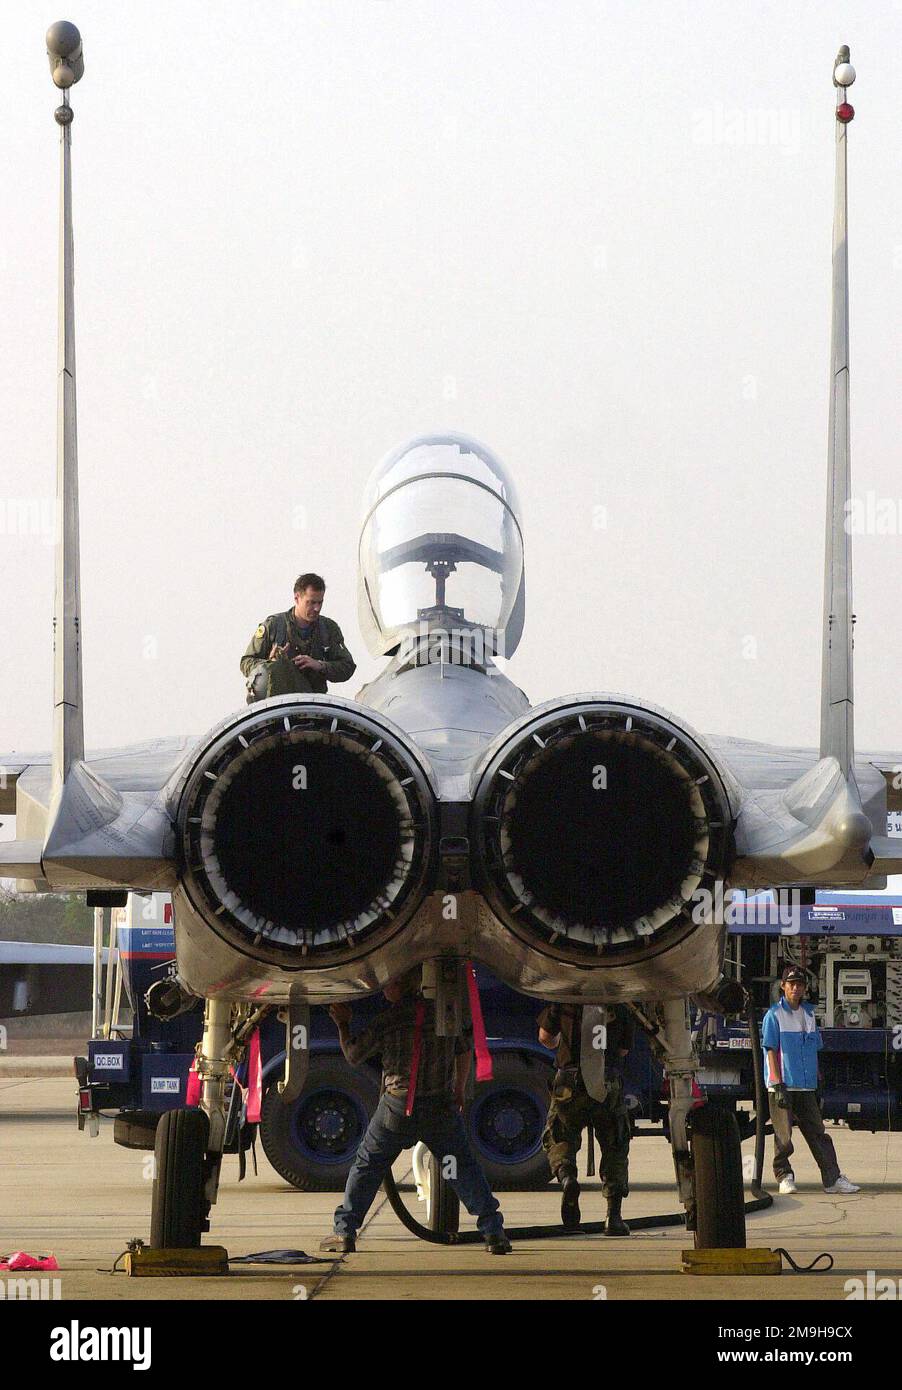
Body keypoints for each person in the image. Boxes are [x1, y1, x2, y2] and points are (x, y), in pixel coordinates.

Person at [320, 969, 512, 1255]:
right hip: (441, 1107)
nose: (384, 987)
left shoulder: (388, 1020)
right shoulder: (445, 1016)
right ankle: (493, 1233)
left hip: (396, 1108)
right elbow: (463, 1049)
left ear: (401, 986)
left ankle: (344, 1231)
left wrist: (343, 1024)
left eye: (390, 982)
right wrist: (459, 1089)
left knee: (367, 1165)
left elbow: (353, 1055)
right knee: (464, 1169)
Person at [537, 1001, 634, 1235]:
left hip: (570, 1082)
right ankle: (613, 1216)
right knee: (615, 1145)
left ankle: (566, 1177)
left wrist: (562, 1043)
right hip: (606, 1083)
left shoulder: (565, 998)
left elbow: (544, 1037)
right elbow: (623, 1051)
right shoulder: (621, 1002)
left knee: (560, 1135)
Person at [762, 965, 859, 1195]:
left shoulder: (808, 1014)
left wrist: (817, 1080)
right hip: (783, 1085)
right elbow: (770, 1050)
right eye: (791, 984)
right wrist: (776, 1083)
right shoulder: (774, 1015)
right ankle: (784, 1176)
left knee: (818, 1133)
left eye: (800, 984)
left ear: (805, 988)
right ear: (783, 986)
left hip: (806, 1085)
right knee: (783, 1136)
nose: (796, 988)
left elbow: (814, 1047)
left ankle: (832, 1179)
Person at [240, 572, 356, 703]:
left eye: (320, 603)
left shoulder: (328, 629)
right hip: (275, 704)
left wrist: (320, 665)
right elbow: (246, 662)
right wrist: (270, 664)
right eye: (311, 602)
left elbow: (347, 667)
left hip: (312, 705)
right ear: (297, 598)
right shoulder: (273, 627)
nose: (317, 608)